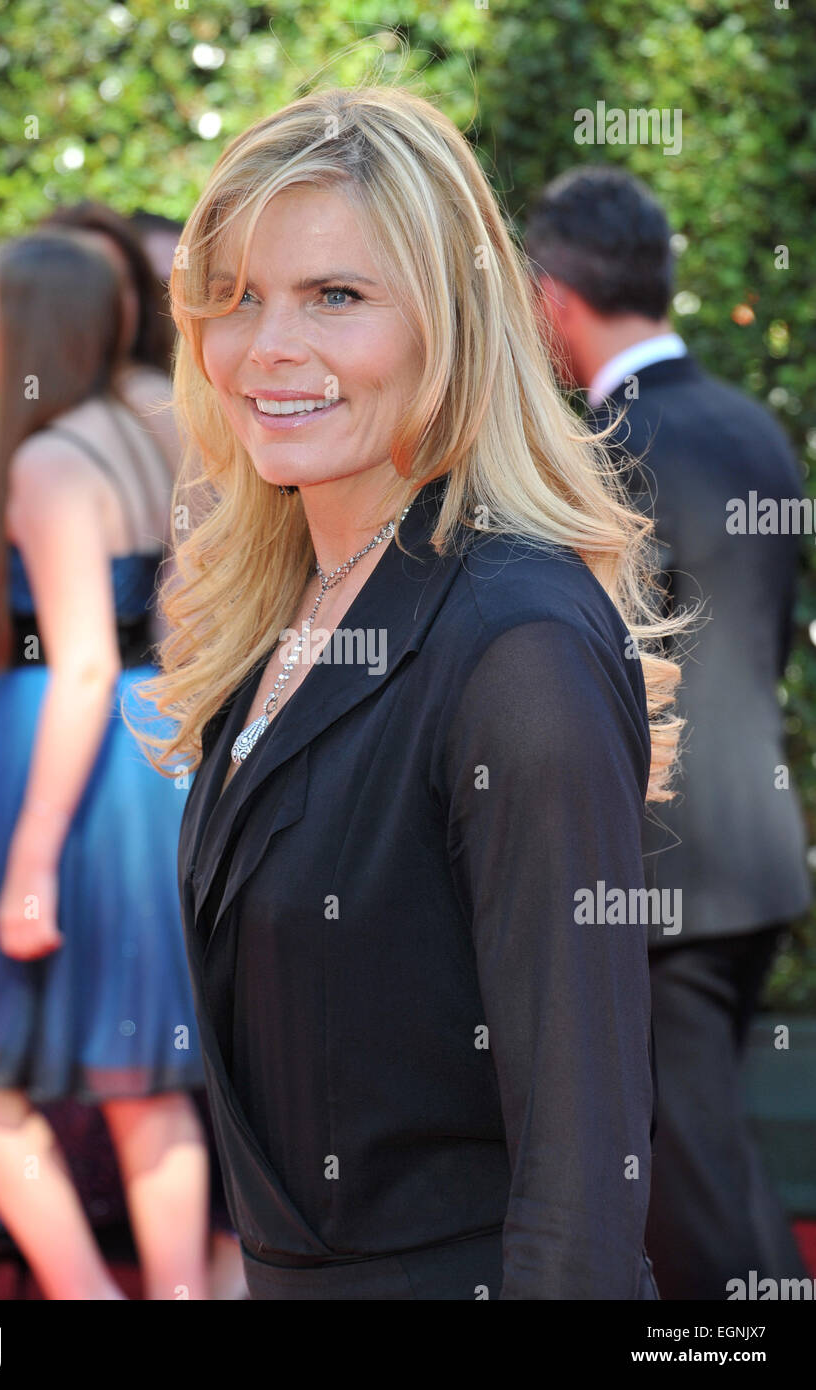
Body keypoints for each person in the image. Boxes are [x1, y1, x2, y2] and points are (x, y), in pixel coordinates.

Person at [133, 83, 693, 1300]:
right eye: (234, 299)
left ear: (451, 322)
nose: (268, 346)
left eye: (335, 295)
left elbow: (586, 1184)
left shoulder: (516, 641)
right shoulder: (291, 604)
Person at [0, 232, 210, 1300]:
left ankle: (88, 1293)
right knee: (141, 1069)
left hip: (75, 777)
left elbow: (79, 668)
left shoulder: (52, 457)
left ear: (32, 331)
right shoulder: (156, 415)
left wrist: (27, 860)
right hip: (148, 761)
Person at [526, 164, 812, 1298]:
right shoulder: (750, 424)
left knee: (687, 1183)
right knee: (709, 1150)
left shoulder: (604, 453)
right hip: (753, 853)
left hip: (657, 872)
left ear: (554, 295)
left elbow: (592, 676)